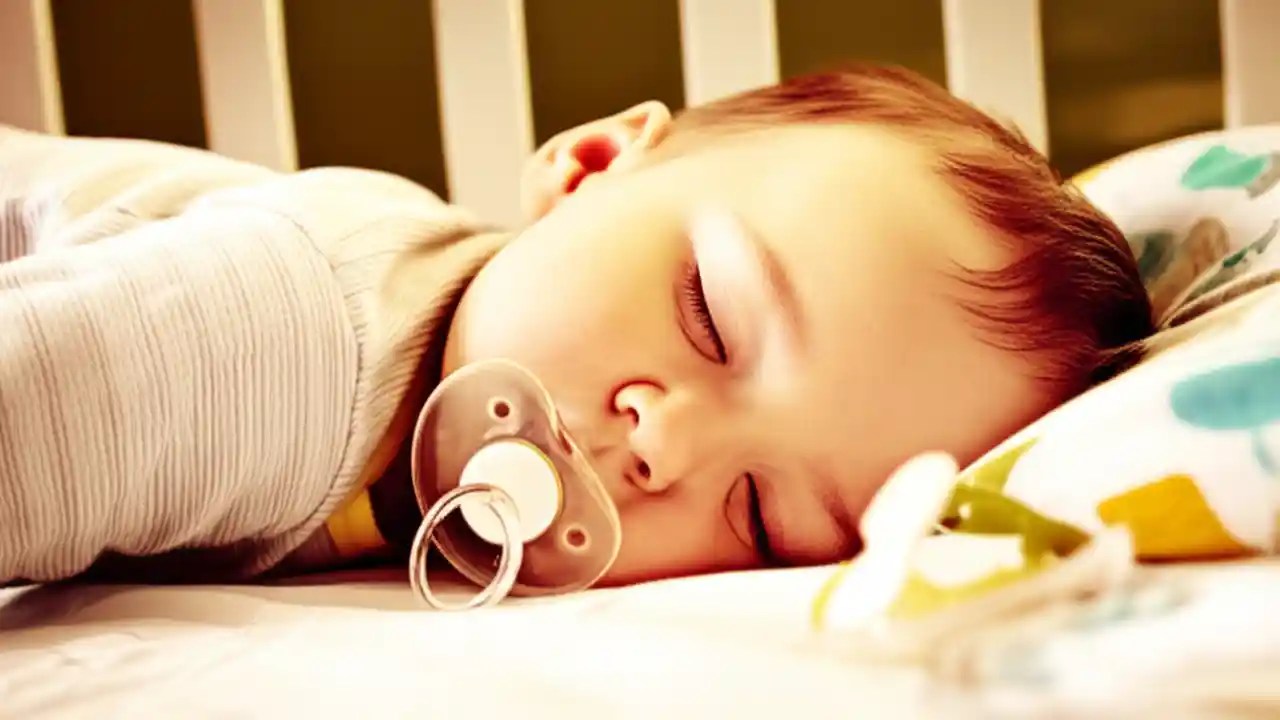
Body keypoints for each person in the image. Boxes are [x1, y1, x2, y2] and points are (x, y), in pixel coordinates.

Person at [0, 65, 1153, 588]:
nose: (666, 447)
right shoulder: (282, 332)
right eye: (708, 314)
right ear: (591, 164)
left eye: (763, 518)